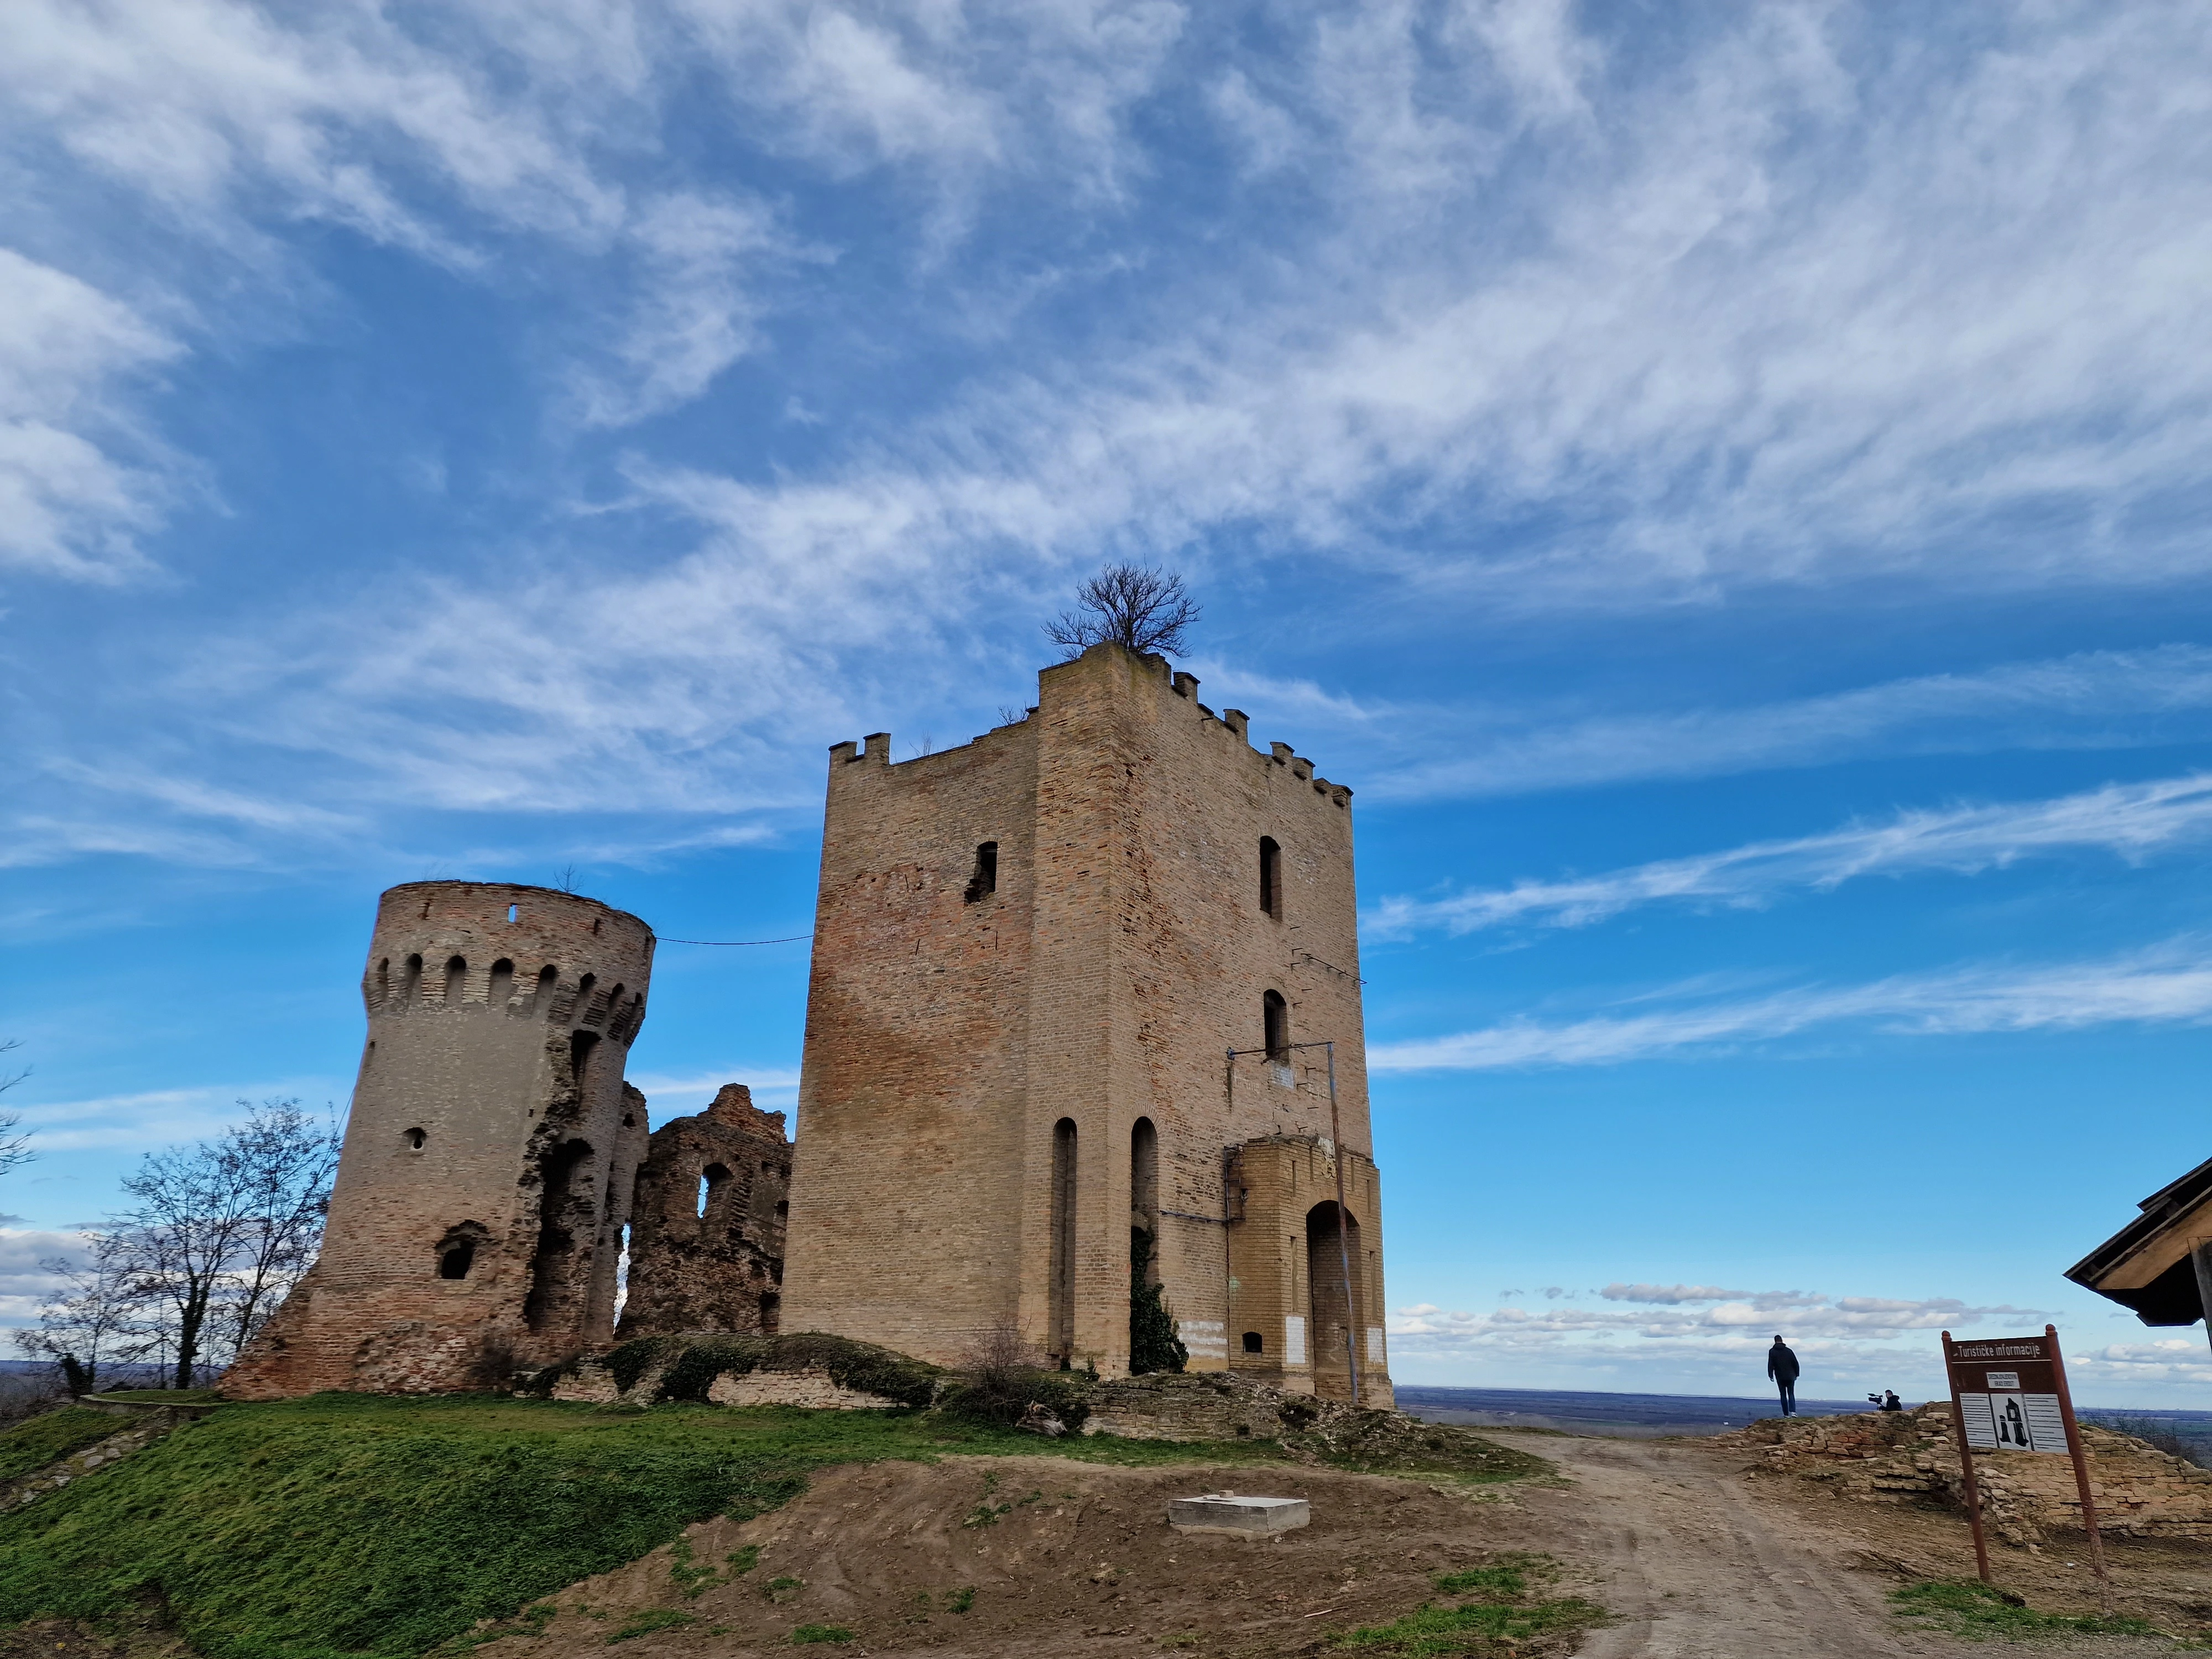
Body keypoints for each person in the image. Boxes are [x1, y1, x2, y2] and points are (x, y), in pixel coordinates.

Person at [1767, 1335, 1800, 1415]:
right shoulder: (1789, 1351)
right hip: (1790, 1376)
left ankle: (1786, 1414)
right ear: (1782, 1341)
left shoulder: (1772, 1351)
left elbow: (1771, 1364)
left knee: (1783, 1395)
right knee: (1791, 1393)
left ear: (1775, 1341)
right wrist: (1797, 1374)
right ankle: (1793, 1412)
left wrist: (1771, 1375)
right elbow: (1795, 1363)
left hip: (1780, 1376)